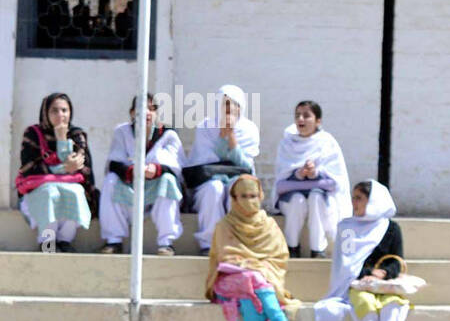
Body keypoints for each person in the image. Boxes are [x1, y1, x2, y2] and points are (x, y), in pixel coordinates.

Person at [314, 181, 409, 321]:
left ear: (373, 201)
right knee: (365, 305)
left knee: (393, 306)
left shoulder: (391, 228)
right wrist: (366, 274)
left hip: (385, 285)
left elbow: (396, 261)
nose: (353, 203)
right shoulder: (347, 228)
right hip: (359, 284)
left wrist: (382, 273)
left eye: (359, 198)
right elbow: (347, 263)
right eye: (353, 197)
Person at [204, 175, 295, 321]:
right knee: (251, 279)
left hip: (259, 282)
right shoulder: (225, 225)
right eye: (243, 196)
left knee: (251, 302)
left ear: (261, 196)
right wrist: (249, 265)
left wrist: (257, 267)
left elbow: (279, 257)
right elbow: (225, 256)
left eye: (253, 195)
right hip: (230, 280)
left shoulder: (269, 225)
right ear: (234, 199)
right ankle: (279, 320)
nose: (249, 201)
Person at [99, 94, 184, 255]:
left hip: (155, 187)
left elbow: (175, 166)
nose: (147, 113)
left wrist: (155, 169)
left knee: (168, 180)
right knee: (111, 180)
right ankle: (114, 240)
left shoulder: (168, 134)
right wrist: (133, 171)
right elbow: (115, 163)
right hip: (131, 187)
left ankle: (166, 242)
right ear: (132, 113)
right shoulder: (122, 132)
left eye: (152, 109)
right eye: (142, 109)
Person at [15, 93, 97, 252]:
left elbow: (85, 170)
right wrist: (63, 169)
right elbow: (28, 168)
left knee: (76, 191)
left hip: (69, 188)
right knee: (50, 192)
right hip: (37, 190)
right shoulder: (33, 133)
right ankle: (47, 241)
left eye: (64, 110)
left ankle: (65, 240)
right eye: (54, 111)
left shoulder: (77, 135)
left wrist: (62, 139)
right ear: (45, 112)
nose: (60, 115)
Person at [187, 85, 260, 254]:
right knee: (214, 189)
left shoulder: (249, 129)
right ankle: (209, 242)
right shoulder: (205, 126)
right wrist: (221, 137)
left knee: (238, 188)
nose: (230, 109)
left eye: (235, 104)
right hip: (210, 179)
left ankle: (236, 241)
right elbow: (207, 161)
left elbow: (245, 166)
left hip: (237, 177)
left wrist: (232, 139)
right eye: (226, 104)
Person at [273, 101, 351, 258]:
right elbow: (280, 183)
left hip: (321, 196)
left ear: (318, 121)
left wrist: (316, 174)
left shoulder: (328, 143)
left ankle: (317, 248)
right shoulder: (287, 144)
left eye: (306, 116)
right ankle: (292, 247)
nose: (300, 119)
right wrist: (298, 174)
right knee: (297, 200)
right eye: (297, 116)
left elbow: (335, 182)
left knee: (316, 197)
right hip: (291, 197)